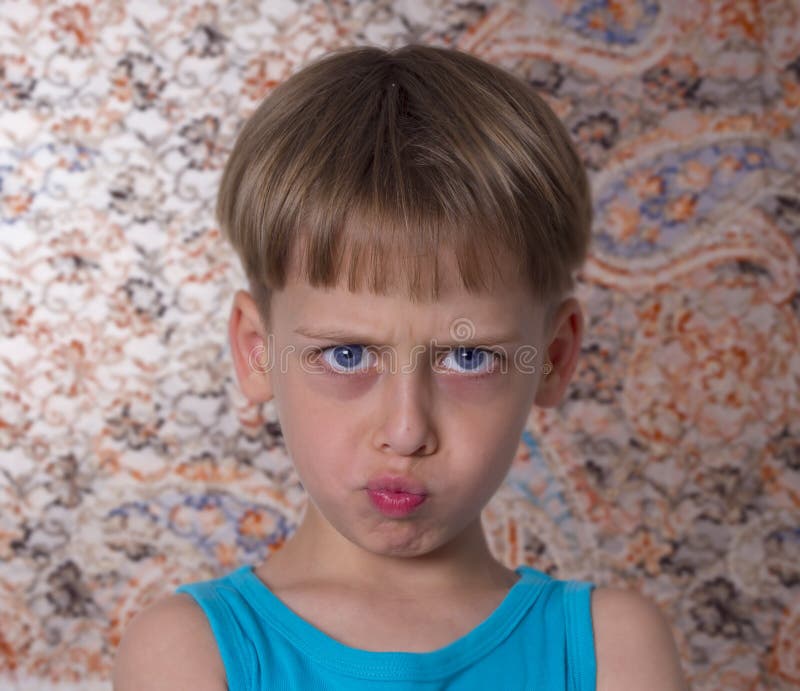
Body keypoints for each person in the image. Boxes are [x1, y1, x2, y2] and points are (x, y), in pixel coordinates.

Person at [112, 44, 686, 690]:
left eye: (468, 357)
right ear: (256, 350)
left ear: (553, 357)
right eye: (347, 355)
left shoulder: (613, 650)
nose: (407, 429)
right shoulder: (191, 652)